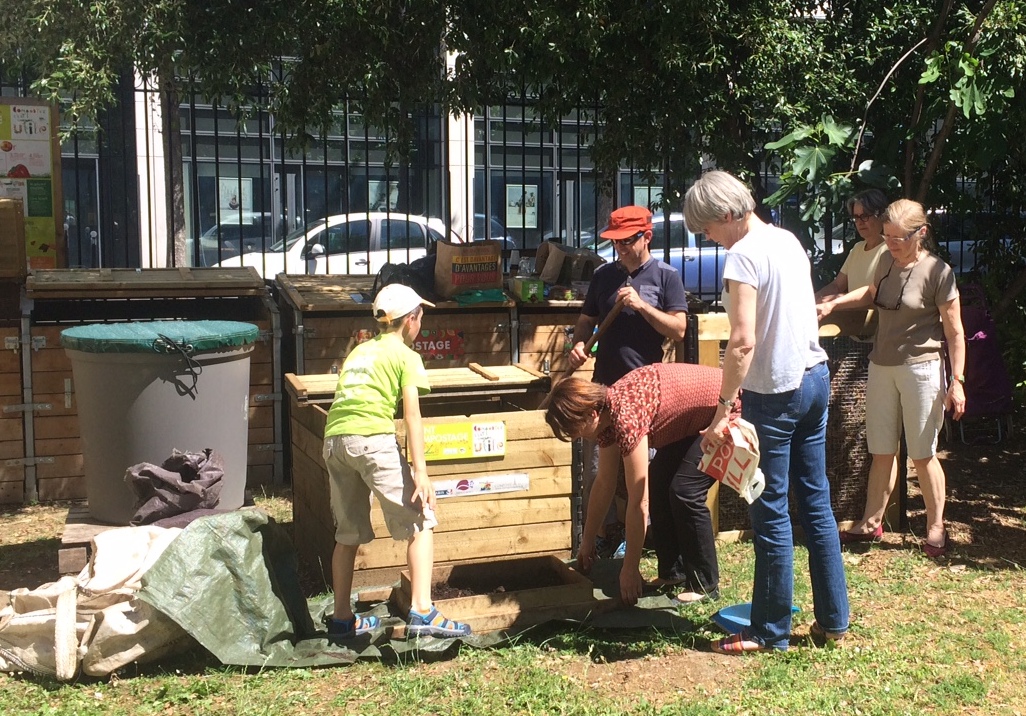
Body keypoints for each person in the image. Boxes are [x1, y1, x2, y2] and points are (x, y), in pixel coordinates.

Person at [684, 170, 849, 653]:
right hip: (815, 378)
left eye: (707, 227)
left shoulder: (743, 255)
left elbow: (742, 342)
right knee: (816, 501)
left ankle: (768, 631)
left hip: (774, 393)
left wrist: (722, 410)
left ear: (729, 214)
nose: (707, 237)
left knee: (769, 509)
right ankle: (833, 620)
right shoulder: (788, 240)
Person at [816, 198, 966, 557]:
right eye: (887, 235)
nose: (891, 243)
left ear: (922, 233)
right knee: (880, 449)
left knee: (922, 453)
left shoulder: (939, 272)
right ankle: (871, 523)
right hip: (881, 365)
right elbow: (872, 294)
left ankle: (935, 527)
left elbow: (955, 332)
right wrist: (834, 302)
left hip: (922, 369)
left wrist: (957, 381)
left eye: (898, 237)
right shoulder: (885, 258)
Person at [322, 284, 472, 639]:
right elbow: (412, 416)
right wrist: (421, 472)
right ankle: (422, 611)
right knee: (421, 521)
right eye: (422, 315)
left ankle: (342, 618)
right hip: (372, 439)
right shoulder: (406, 356)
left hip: (334, 441)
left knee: (346, 534)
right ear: (412, 320)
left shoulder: (360, 351)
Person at [545, 363, 725, 606]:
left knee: (685, 491)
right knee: (660, 482)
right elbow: (604, 483)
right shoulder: (607, 413)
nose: (576, 437)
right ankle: (673, 573)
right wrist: (587, 542)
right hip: (693, 424)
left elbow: (639, 501)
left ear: (591, 414)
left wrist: (630, 568)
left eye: (575, 430)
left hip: (727, 412)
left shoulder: (626, 416)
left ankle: (705, 584)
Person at [567, 205, 689, 557]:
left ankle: (639, 538)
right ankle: (602, 536)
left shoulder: (666, 277)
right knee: (598, 469)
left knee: (640, 473)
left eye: (626, 241)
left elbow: (679, 330)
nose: (619, 248)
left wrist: (642, 307)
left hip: (645, 392)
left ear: (646, 237)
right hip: (604, 388)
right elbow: (585, 320)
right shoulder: (604, 276)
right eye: (615, 242)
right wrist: (578, 344)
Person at [815, 189, 890, 301]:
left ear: (879, 215)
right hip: (852, 317)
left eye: (864, 216)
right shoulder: (857, 248)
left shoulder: (891, 249)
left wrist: (831, 302)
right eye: (856, 217)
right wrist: (813, 300)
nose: (859, 222)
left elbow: (875, 294)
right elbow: (837, 286)